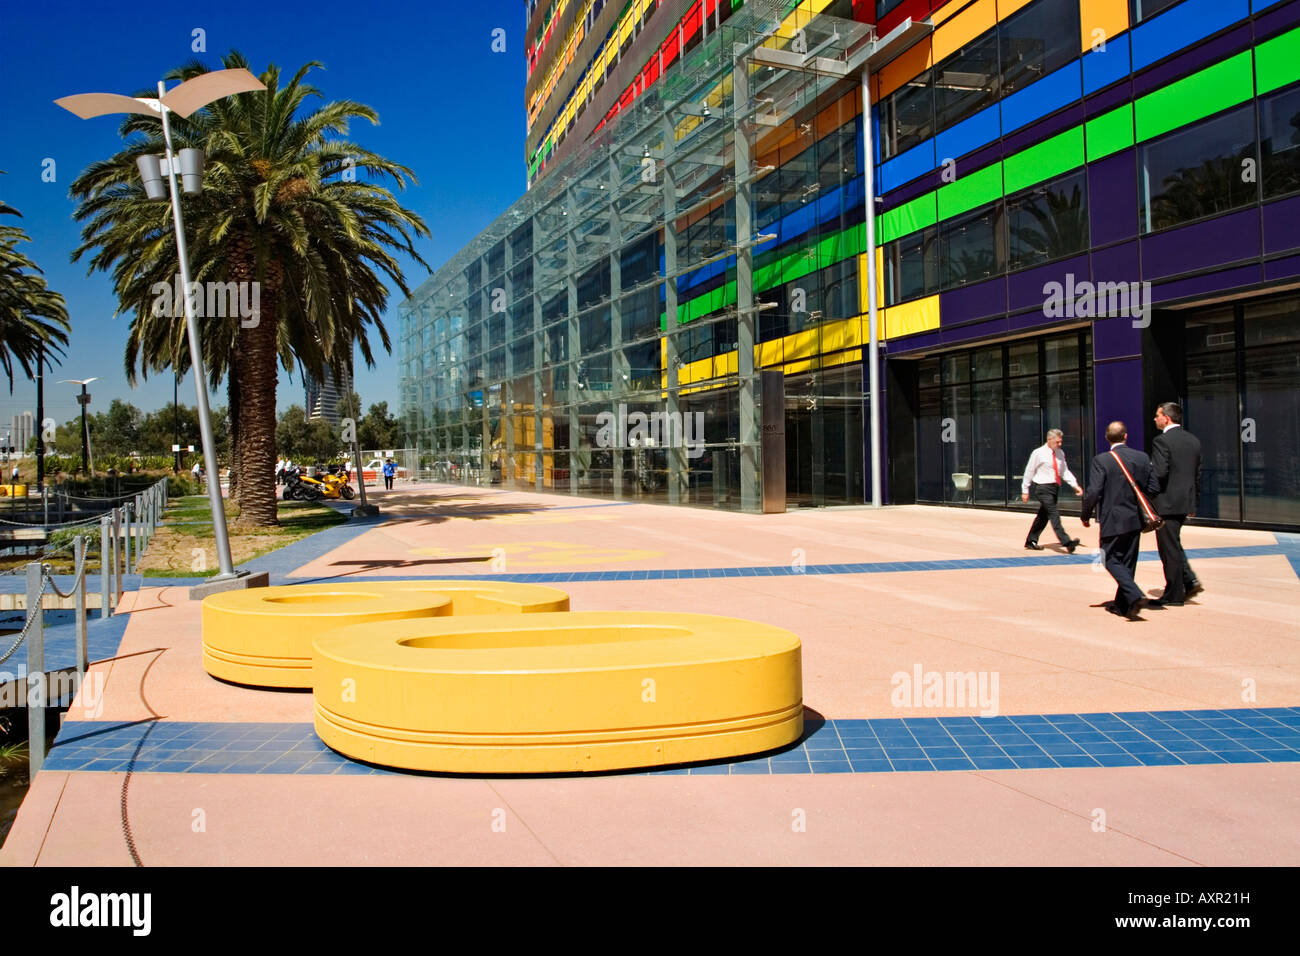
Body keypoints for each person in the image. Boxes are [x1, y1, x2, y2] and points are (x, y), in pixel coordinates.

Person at [1081, 421, 1161, 620]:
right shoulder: (1142, 457)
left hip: (1113, 518)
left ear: (1107, 438)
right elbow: (1153, 488)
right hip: (1135, 518)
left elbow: (1094, 491)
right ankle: (1125, 606)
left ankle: (1134, 594)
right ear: (1126, 436)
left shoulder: (1102, 460)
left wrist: (1085, 514)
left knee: (1106, 557)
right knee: (1128, 561)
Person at [1149, 402, 1204, 607]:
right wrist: (1194, 502)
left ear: (1167, 418)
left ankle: (1173, 594)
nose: (1155, 419)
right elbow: (1197, 475)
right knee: (1173, 543)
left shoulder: (1161, 441)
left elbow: (1160, 473)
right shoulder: (1194, 441)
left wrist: (1149, 492)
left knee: (1168, 549)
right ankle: (1189, 580)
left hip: (1166, 502)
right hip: (1184, 502)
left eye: (1157, 415)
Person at [1021, 428, 1082, 553]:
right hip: (1042, 488)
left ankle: (1031, 541)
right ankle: (1067, 542)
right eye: (1057, 442)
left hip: (1054, 488)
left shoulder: (1060, 453)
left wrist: (1075, 485)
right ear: (1049, 440)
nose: (1060, 444)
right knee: (1054, 514)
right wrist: (1025, 490)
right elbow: (1029, 471)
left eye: (1061, 442)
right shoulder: (1038, 453)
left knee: (1043, 516)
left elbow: (1064, 471)